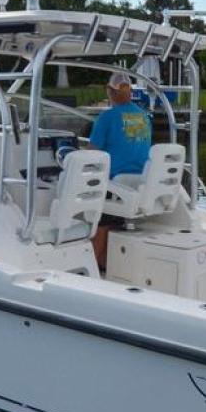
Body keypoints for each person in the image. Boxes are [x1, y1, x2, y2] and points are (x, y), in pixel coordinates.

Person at [89, 74, 151, 269]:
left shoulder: (107, 117)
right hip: (138, 182)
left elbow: (91, 152)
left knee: (100, 218)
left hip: (114, 182)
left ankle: (93, 263)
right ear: (130, 93)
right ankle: (108, 261)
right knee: (114, 217)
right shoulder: (143, 116)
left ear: (110, 91)